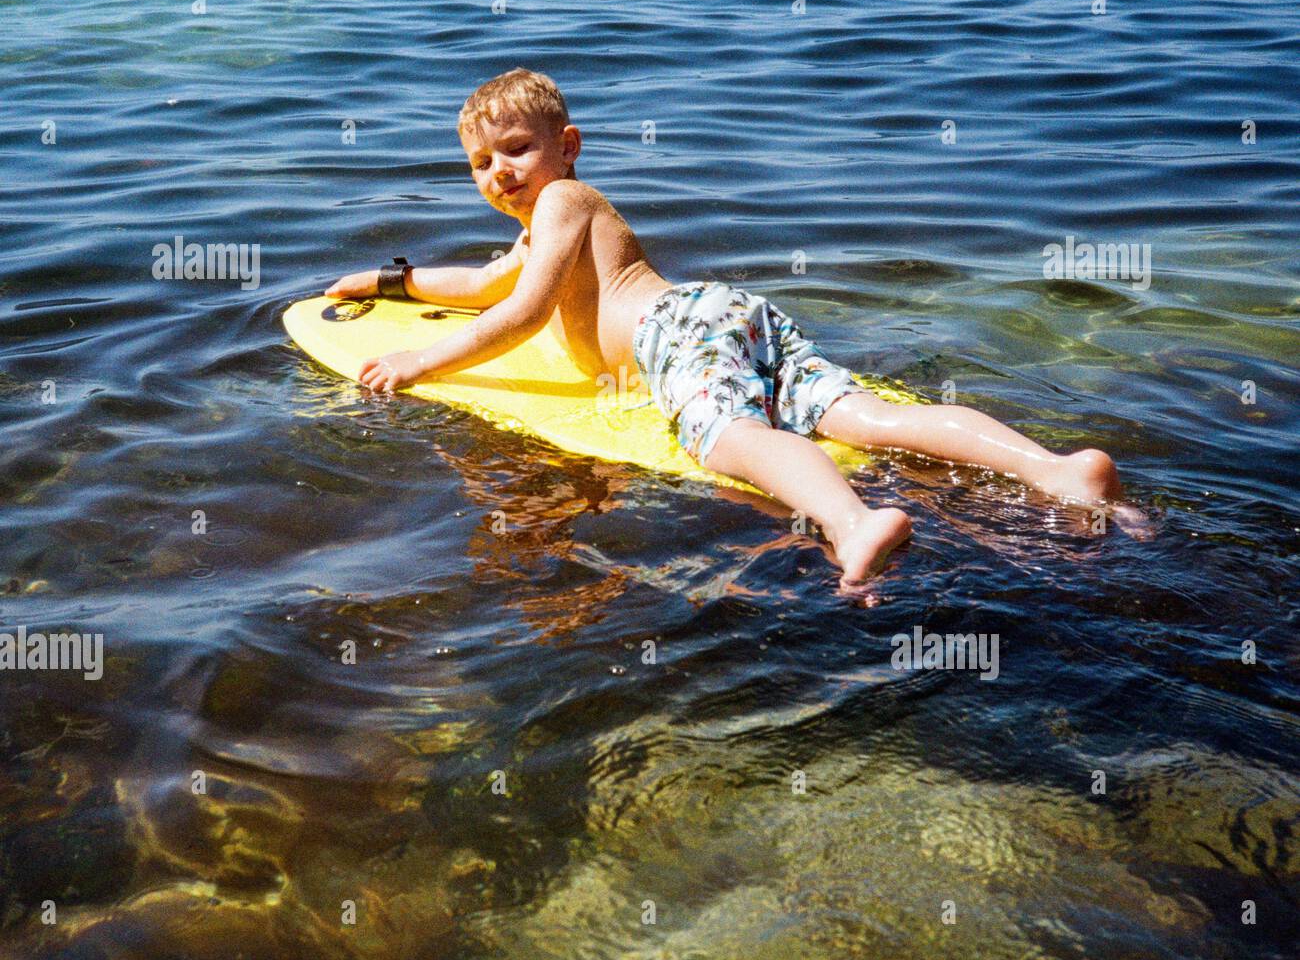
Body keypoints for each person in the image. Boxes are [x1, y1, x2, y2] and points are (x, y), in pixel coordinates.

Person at [325, 69, 1127, 590]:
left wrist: (421, 361)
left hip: (676, 336)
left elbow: (522, 312)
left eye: (515, 151)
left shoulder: (565, 200)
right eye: (479, 163)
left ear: (566, 148)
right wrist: (389, 281)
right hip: (729, 314)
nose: (499, 172)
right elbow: (483, 284)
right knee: (861, 415)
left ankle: (853, 523)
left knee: (728, 434)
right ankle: (1057, 472)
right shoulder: (544, 227)